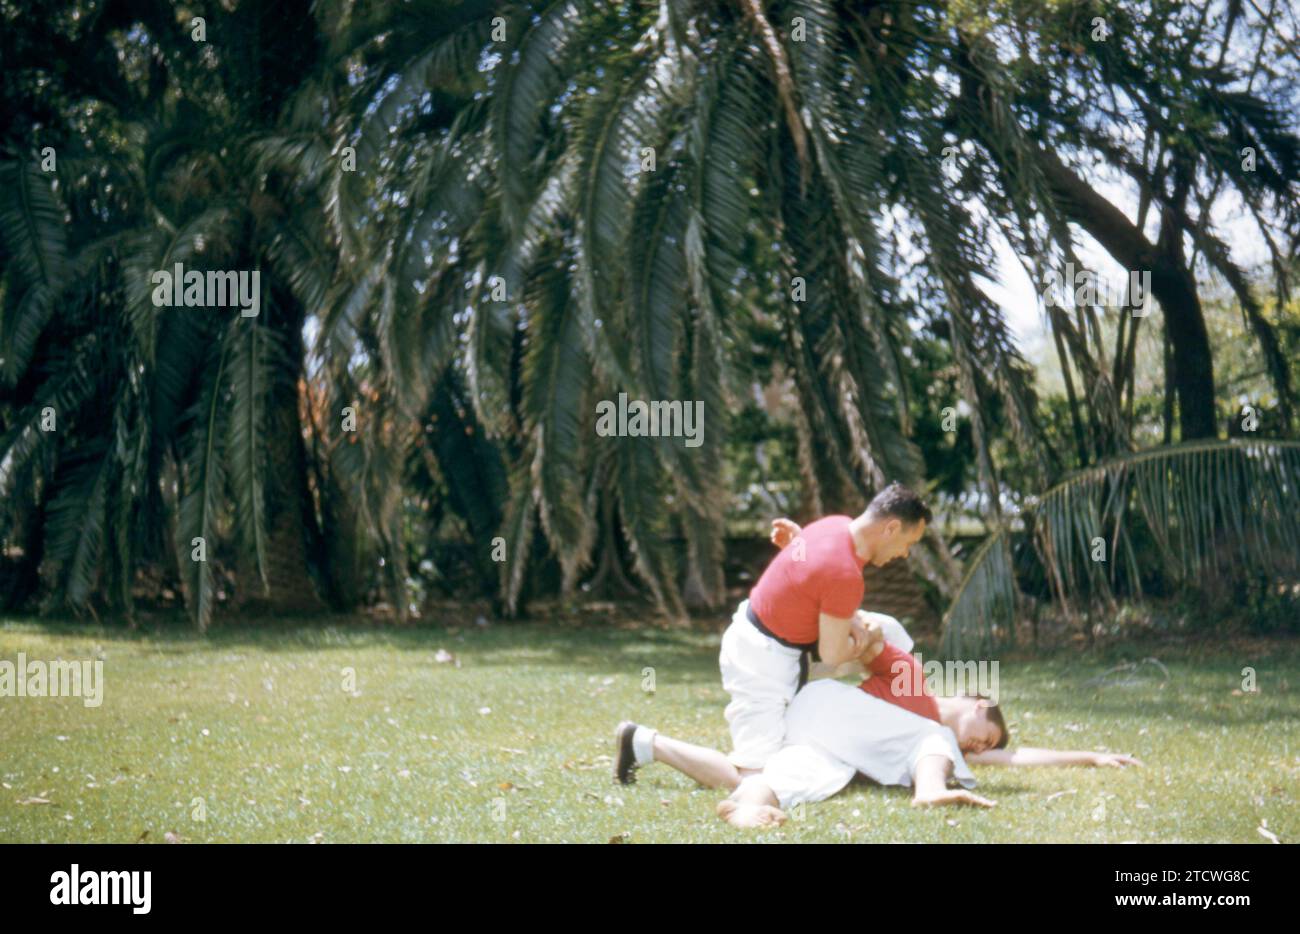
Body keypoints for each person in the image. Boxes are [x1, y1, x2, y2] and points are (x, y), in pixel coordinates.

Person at [614, 482, 932, 781]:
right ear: (890, 528)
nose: (904, 554)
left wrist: (862, 627)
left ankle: (900, 725)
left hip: (784, 646)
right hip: (759, 660)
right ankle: (642, 742)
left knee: (890, 631)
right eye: (908, 543)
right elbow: (832, 654)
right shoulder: (844, 573)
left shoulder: (834, 525)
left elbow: (813, 577)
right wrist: (869, 638)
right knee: (754, 779)